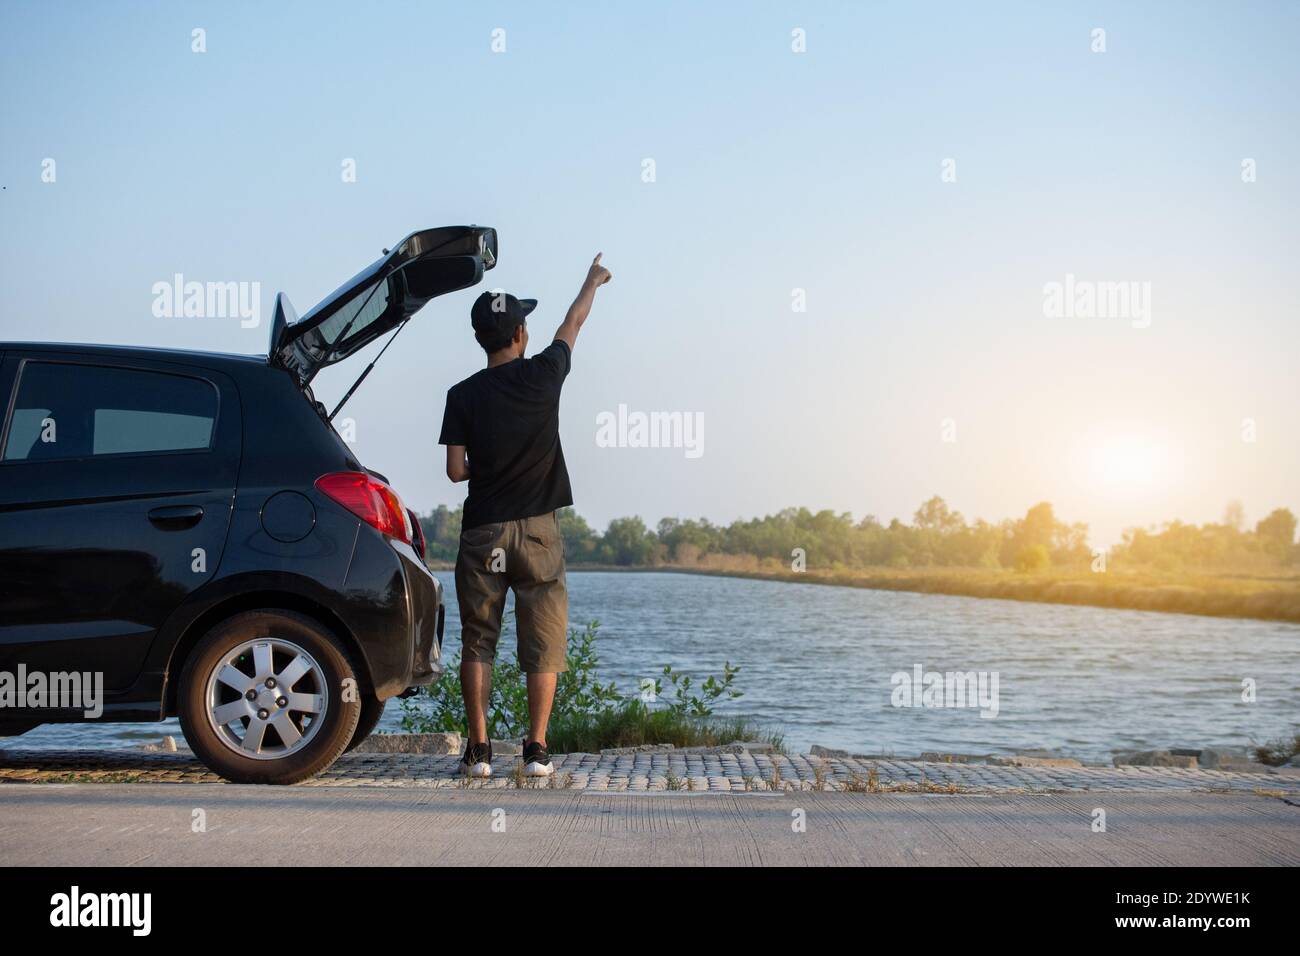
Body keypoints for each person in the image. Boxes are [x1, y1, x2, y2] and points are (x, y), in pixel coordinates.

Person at [439, 254, 613, 777]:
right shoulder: (544, 375)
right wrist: (592, 280)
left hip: (483, 530)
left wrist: (486, 462)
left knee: (478, 639)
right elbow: (574, 321)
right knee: (543, 638)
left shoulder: (461, 394)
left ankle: (478, 751)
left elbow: (454, 471)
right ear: (520, 333)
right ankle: (535, 750)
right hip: (538, 531)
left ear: (480, 337)